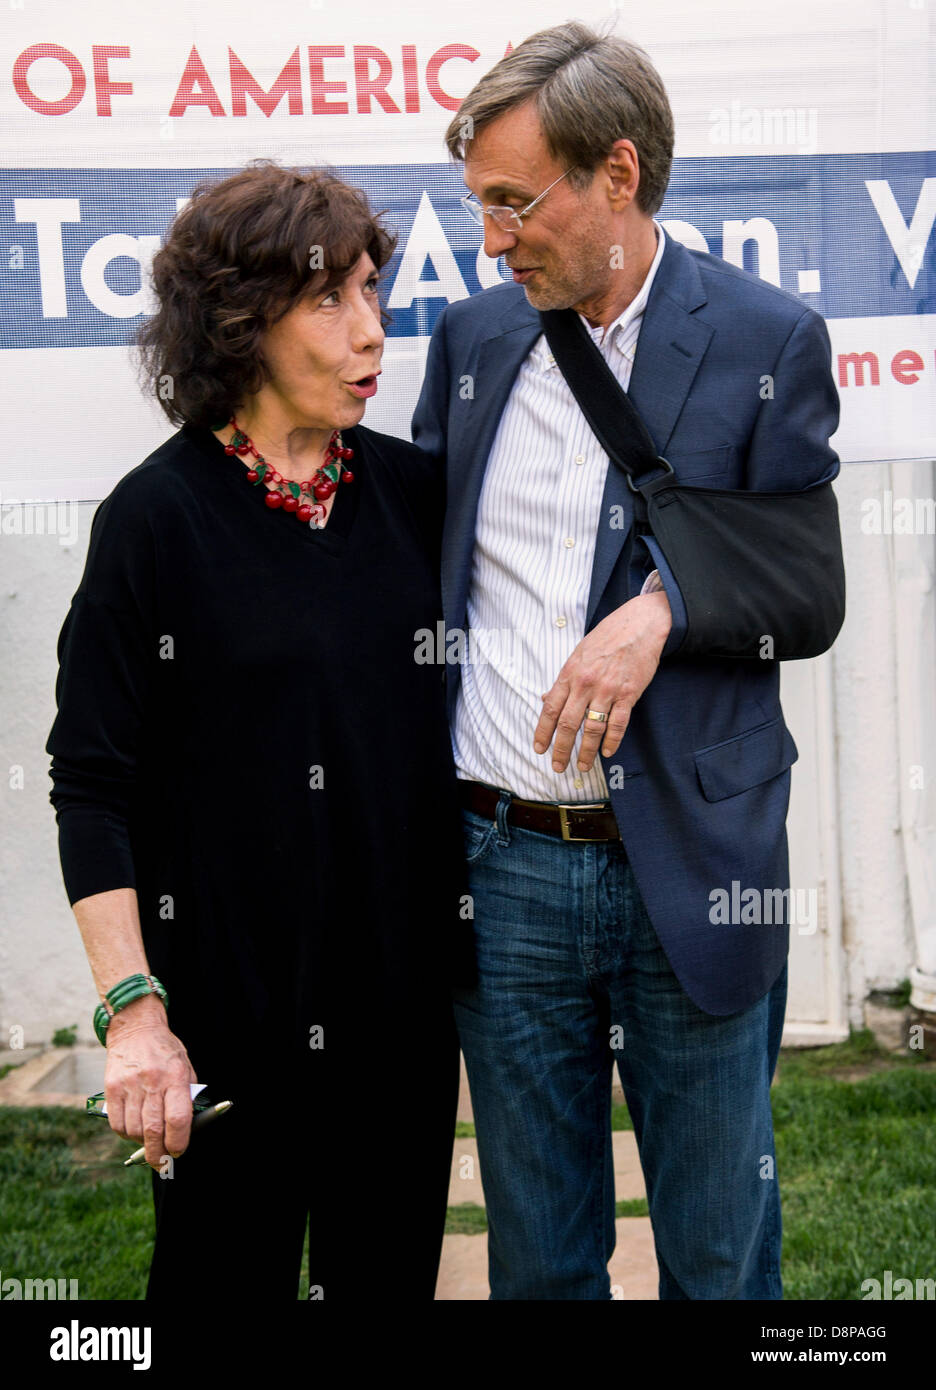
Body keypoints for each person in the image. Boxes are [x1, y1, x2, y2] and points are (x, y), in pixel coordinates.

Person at [412, 22, 844, 1299]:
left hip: (693, 874)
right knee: (540, 1268)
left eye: (512, 200)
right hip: (506, 868)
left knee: (718, 1257)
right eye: (479, 204)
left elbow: (807, 586)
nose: (493, 236)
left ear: (616, 172)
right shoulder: (476, 342)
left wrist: (663, 607)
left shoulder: (769, 338)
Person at [46, 160, 468, 1302]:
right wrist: (136, 1015)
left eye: (376, 295)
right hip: (227, 1029)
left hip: (397, 1026)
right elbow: (89, 784)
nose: (372, 332)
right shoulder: (155, 522)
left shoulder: (419, 498)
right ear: (242, 321)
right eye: (332, 301)